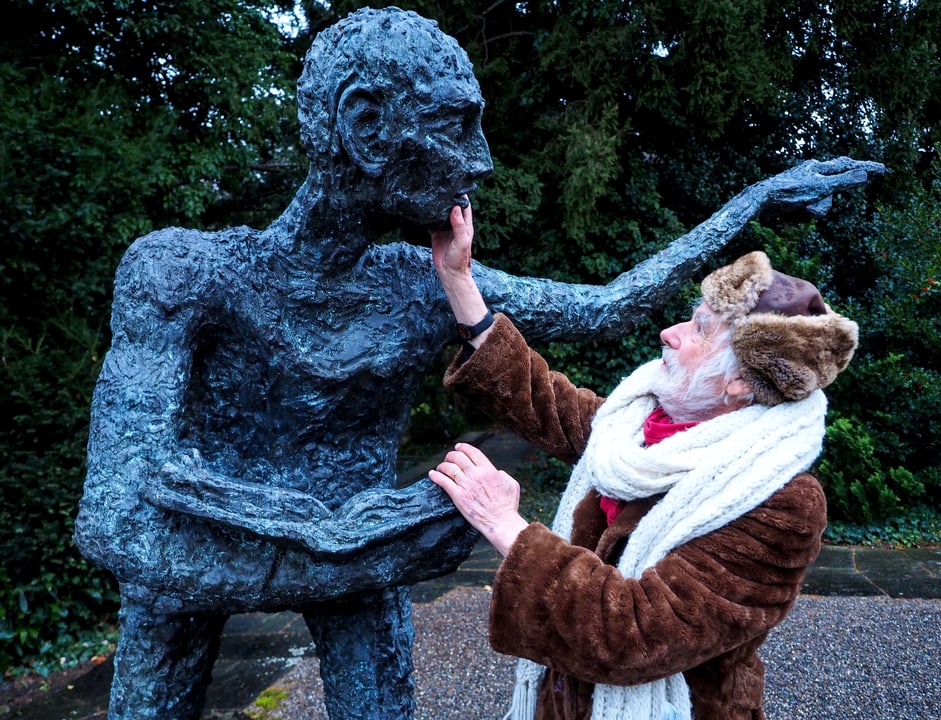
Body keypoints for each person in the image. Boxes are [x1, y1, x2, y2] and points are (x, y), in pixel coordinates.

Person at [73, 7, 882, 719]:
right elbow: (116, 515)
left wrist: (752, 203)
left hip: (357, 565)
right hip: (305, 565)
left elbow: (607, 304)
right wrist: (341, 541)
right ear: (362, 124)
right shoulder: (185, 273)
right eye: (459, 126)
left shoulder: (414, 286)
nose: (483, 160)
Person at [428, 200, 859, 720]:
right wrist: (458, 280)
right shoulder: (639, 426)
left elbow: (630, 637)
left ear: (740, 383)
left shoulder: (784, 504)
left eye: (699, 329)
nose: (669, 333)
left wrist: (506, 527)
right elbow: (544, 401)